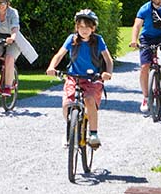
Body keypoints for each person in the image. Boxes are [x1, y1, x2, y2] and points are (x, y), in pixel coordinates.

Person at [46, 9, 113, 148]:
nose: (84, 30)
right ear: (76, 27)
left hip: (92, 79)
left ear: (93, 28)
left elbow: (108, 59)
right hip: (73, 77)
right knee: (66, 104)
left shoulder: (98, 40)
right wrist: (52, 67)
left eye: (87, 27)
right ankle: (70, 129)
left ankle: (93, 133)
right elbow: (59, 55)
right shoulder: (72, 39)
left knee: (89, 100)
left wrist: (108, 73)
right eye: (81, 27)